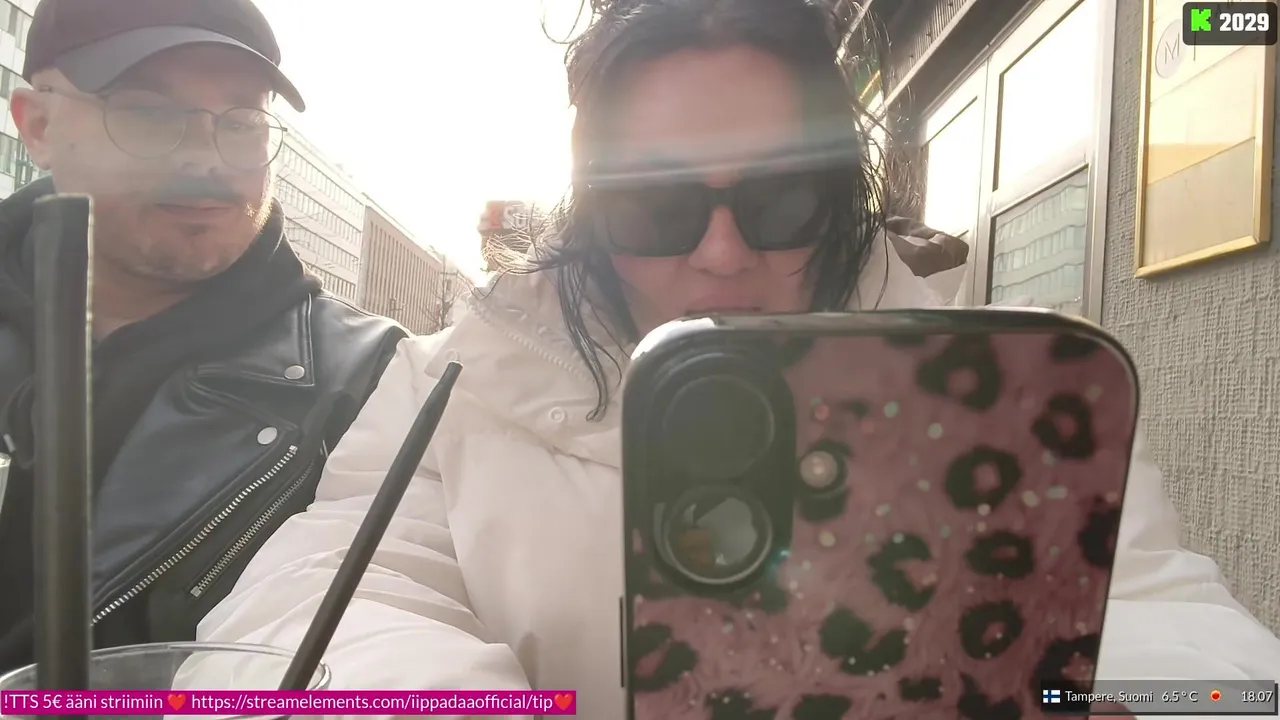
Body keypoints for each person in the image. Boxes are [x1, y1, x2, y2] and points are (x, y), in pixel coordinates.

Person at [199, 0, 1280, 716]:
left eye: (781, 198)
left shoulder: (1010, 397)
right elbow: (314, 602)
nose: (722, 253)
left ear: (841, 195)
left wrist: (1095, 700)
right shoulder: (454, 387)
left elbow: (1186, 643)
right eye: (657, 205)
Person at [0, 0, 405, 671]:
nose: (206, 159)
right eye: (148, 113)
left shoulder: (375, 385)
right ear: (37, 125)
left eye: (241, 123)